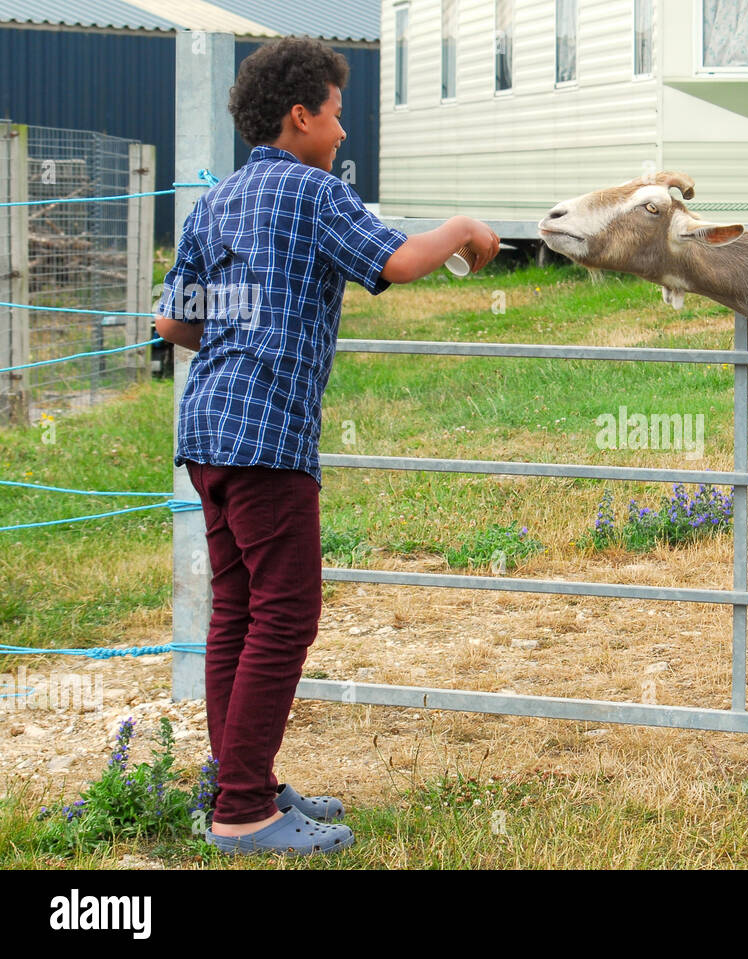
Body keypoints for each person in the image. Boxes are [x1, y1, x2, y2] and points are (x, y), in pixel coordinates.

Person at [154, 36, 499, 856]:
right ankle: (243, 810)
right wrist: (461, 226)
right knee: (287, 614)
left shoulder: (218, 200)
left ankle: (242, 781)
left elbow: (171, 322)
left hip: (207, 433)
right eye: (337, 115)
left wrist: (238, 329)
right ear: (300, 115)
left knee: (237, 613)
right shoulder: (313, 192)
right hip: (270, 434)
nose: (344, 132)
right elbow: (399, 261)